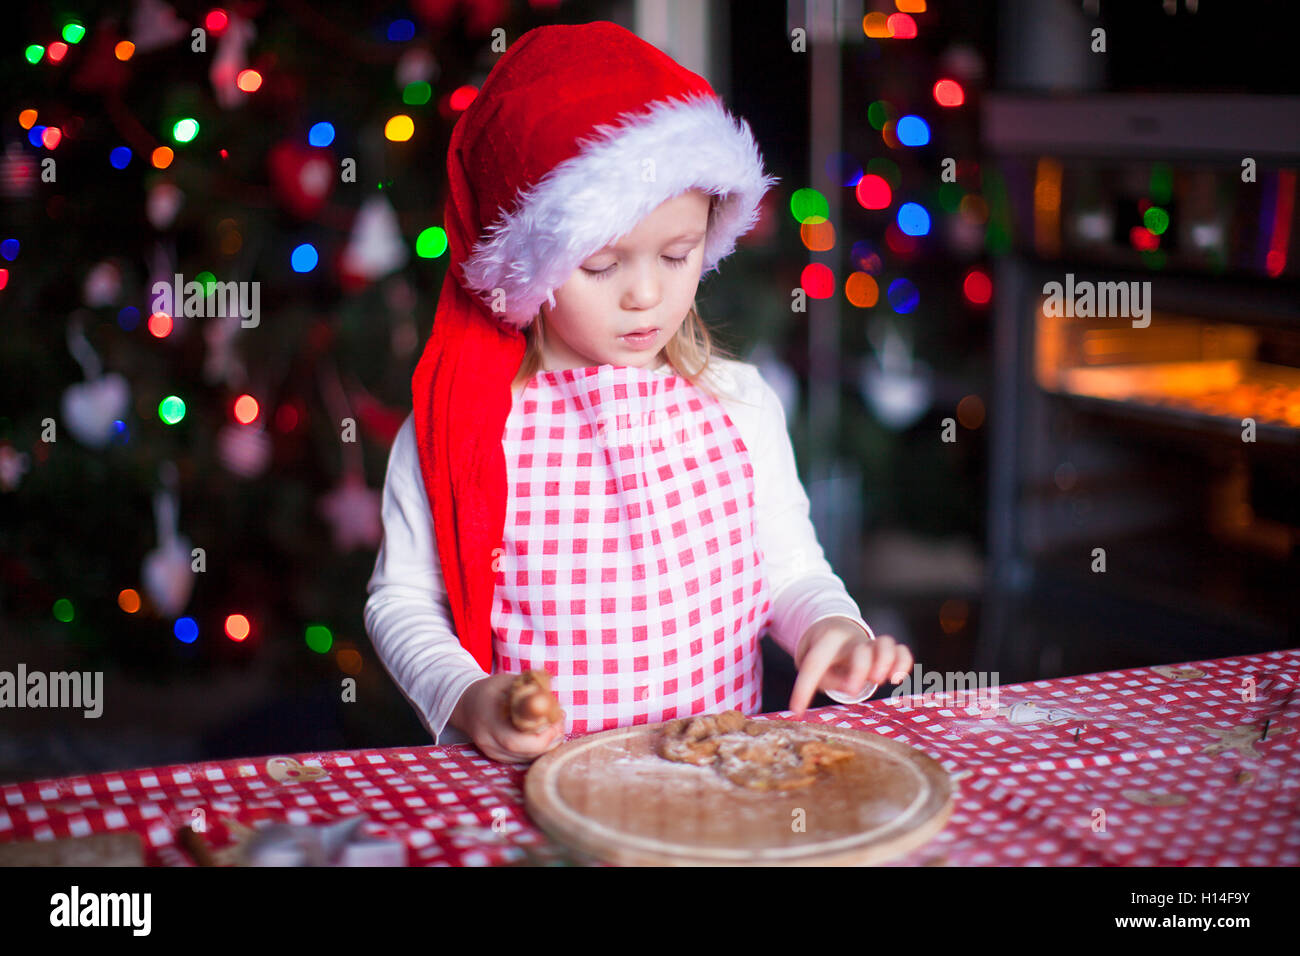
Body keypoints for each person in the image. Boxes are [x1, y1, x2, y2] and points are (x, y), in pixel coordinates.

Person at [364, 21, 912, 763]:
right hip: (546, 797)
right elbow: (403, 602)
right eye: (600, 265)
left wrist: (830, 629)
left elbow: (789, 569)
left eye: (678, 253)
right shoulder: (465, 431)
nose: (646, 294)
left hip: (717, 784)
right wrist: (465, 692)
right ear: (533, 261)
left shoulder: (740, 405)